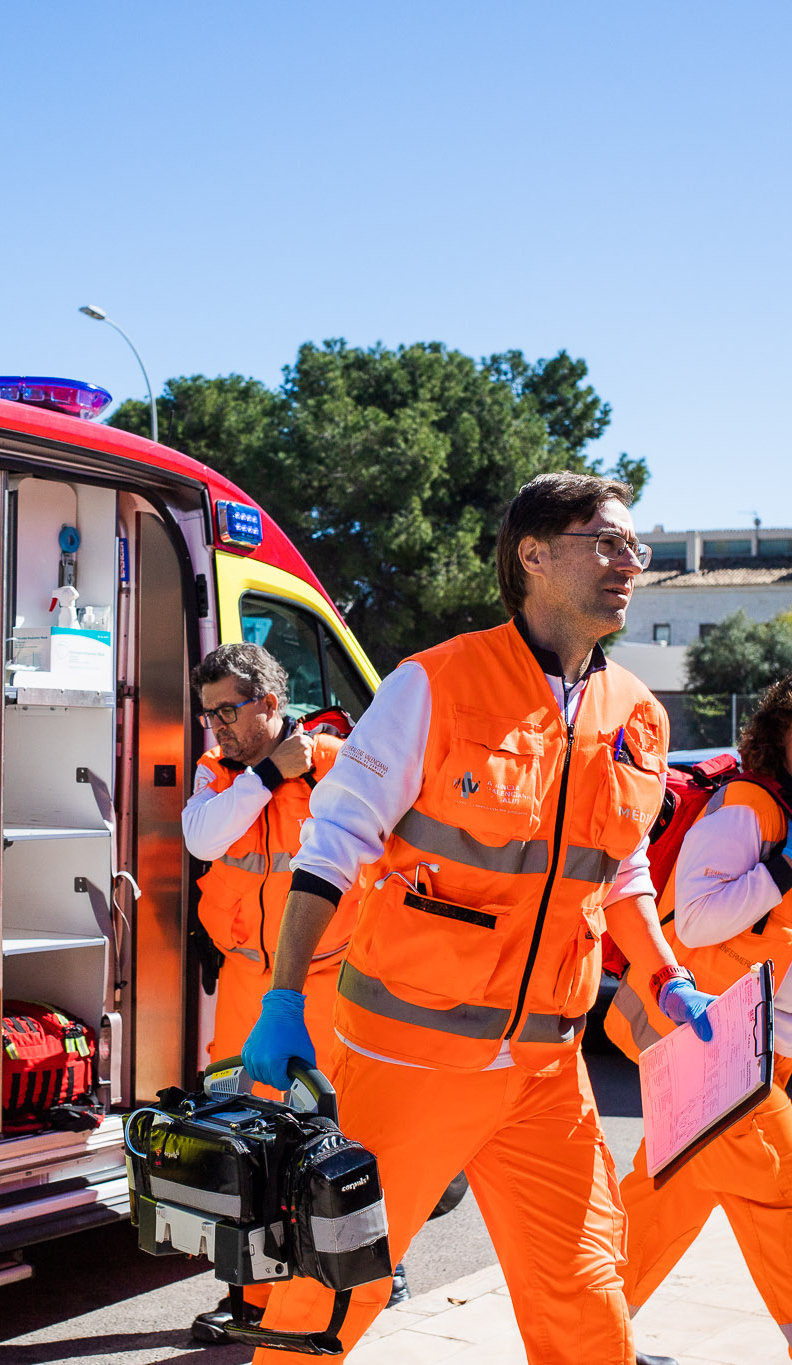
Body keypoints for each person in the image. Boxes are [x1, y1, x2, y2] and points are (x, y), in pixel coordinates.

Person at [237, 472, 715, 1365]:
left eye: (633, 547)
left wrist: (663, 968)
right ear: (533, 555)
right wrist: (284, 996)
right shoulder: (435, 684)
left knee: (585, 1290)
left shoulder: (638, 717)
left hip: (546, 1071)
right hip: (410, 1061)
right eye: (605, 542)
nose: (628, 564)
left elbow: (621, 868)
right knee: (336, 1286)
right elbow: (331, 843)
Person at [604, 666, 792, 1365]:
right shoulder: (745, 806)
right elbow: (702, 917)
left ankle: (589, 1334)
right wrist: (784, 870)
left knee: (665, 1200)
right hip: (714, 1036)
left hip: (779, 1046)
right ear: (782, 730)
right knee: (785, 1186)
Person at [182, 642, 380, 1335]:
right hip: (247, 982)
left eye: (228, 711)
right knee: (243, 1141)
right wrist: (267, 772)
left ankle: (361, 1282)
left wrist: (288, 769)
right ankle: (248, 1298)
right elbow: (205, 839)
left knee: (332, 1134)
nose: (217, 728)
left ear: (270, 702)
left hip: (327, 981)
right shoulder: (221, 776)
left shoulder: (335, 764)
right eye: (209, 715)